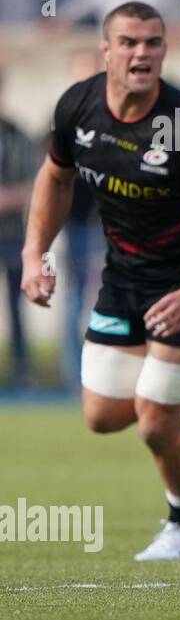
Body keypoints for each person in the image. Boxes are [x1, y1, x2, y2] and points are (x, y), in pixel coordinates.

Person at [20, 1, 180, 561]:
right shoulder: (78, 107)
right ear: (106, 51)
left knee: (156, 422)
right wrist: (34, 251)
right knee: (103, 416)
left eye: (154, 43)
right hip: (124, 278)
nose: (142, 53)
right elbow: (55, 177)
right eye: (130, 42)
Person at [0, 71, 38, 387]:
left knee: (17, 307)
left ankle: (22, 371)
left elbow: (35, 185)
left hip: (12, 237)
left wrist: (10, 197)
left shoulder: (17, 135)